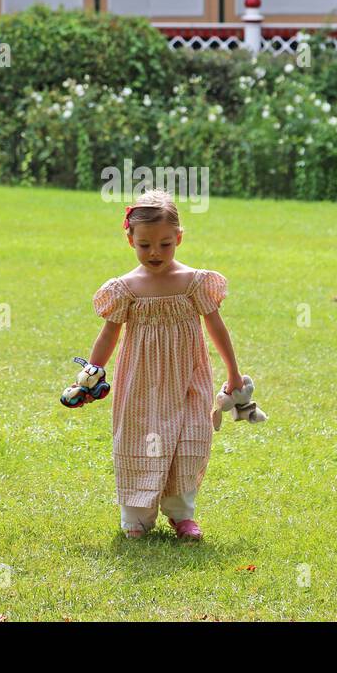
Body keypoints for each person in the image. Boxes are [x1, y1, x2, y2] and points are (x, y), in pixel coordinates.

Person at [79, 189, 244, 540]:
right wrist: (91, 373)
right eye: (145, 245)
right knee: (140, 439)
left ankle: (182, 514)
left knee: (190, 440)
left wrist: (232, 371)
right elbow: (109, 334)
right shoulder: (125, 289)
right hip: (140, 379)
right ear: (130, 240)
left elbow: (216, 327)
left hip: (188, 377)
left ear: (179, 238)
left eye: (165, 244)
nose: (155, 252)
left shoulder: (194, 283)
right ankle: (136, 518)